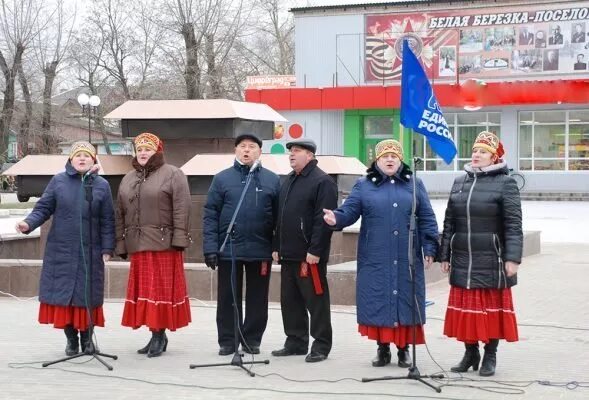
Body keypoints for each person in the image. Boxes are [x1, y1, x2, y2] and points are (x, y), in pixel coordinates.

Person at [323, 139, 439, 368]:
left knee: (405, 300)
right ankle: (383, 348)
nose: (389, 159)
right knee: (379, 299)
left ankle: (404, 349)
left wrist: (430, 247)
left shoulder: (415, 184)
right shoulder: (364, 185)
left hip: (407, 255)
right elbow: (350, 210)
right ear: (377, 160)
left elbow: (427, 217)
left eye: (394, 156)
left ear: (400, 159)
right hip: (376, 256)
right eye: (384, 156)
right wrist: (337, 218)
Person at [15, 141, 115, 356]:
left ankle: (88, 339)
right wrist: (28, 223)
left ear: (93, 160)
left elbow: (108, 220)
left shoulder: (101, 185)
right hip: (61, 250)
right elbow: (43, 207)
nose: (82, 159)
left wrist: (107, 248)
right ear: (70, 159)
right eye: (77, 155)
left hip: (90, 252)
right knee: (65, 297)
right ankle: (71, 340)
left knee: (86, 295)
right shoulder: (58, 181)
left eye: (86, 156)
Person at [439, 131, 522, 377]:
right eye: (475, 150)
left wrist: (512, 258)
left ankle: (490, 354)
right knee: (467, 310)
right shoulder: (459, 182)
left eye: (483, 151)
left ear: (494, 157)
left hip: (492, 258)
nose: (476, 155)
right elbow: (449, 221)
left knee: (489, 311)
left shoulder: (506, 183)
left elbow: (513, 224)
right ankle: (470, 352)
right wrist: (445, 254)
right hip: (463, 256)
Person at [203, 133, 280, 356]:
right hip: (229, 248)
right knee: (228, 297)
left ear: (260, 151)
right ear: (235, 151)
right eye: (242, 146)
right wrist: (210, 247)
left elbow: (279, 218)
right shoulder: (222, 179)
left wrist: (276, 246)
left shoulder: (272, 180)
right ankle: (228, 340)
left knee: (258, 298)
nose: (247, 150)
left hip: (260, 249)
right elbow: (210, 214)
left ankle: (251, 339)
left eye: (252, 147)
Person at [116, 132, 192, 358]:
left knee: (158, 291)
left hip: (163, 244)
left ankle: (159, 335)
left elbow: (182, 207)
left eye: (147, 149)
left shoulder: (173, 174)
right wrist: (120, 243)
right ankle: (155, 333)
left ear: (157, 151)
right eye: (139, 149)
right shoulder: (128, 178)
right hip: (138, 245)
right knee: (145, 292)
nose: (143, 153)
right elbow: (119, 212)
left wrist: (179, 239)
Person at [271, 138, 337, 363]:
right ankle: (296, 342)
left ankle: (321, 345)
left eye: (296, 151)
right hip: (288, 253)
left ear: (309, 155)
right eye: (290, 151)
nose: (291, 154)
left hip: (310, 256)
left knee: (316, 301)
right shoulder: (288, 180)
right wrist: (276, 246)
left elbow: (323, 220)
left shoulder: (322, 181)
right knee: (290, 301)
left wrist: (316, 250)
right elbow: (280, 217)